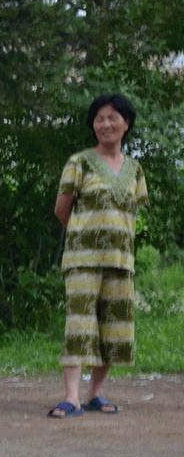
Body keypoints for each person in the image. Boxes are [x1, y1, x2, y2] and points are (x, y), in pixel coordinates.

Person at [49, 94, 148, 419]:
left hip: (121, 262)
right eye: (99, 119)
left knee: (114, 329)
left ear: (126, 124)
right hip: (82, 260)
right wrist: (87, 235)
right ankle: (71, 398)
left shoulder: (135, 169)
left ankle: (95, 394)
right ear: (93, 125)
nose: (106, 124)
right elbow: (62, 210)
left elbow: (135, 212)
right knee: (79, 326)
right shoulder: (79, 162)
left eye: (113, 118)